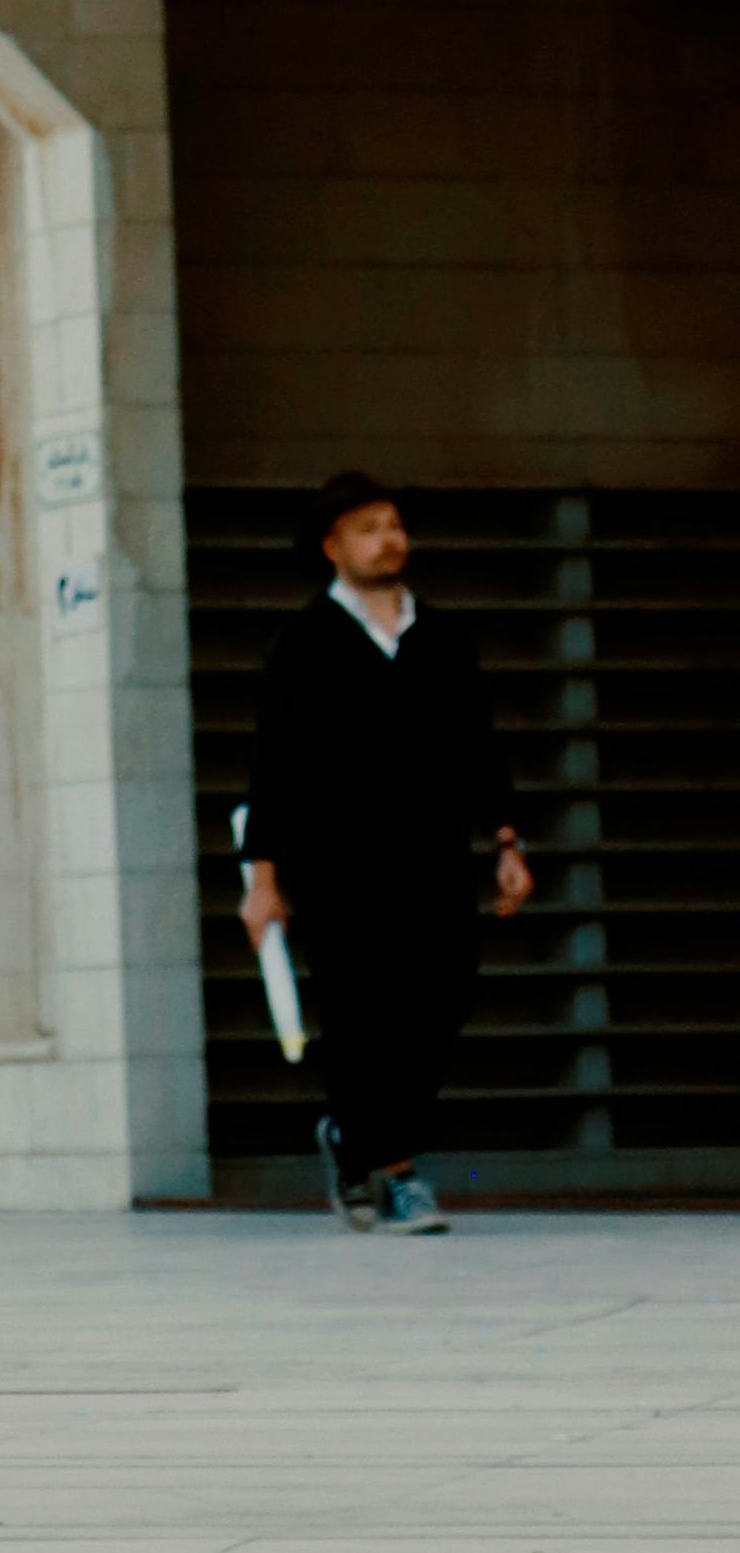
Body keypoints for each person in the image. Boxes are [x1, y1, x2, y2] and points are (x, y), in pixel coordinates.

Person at [238, 474, 530, 1236]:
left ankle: (349, 1137)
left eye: (394, 524)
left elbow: (481, 750)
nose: (388, 538)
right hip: (336, 871)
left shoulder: (441, 638)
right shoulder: (302, 645)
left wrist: (506, 843)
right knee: (368, 1015)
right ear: (333, 547)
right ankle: (399, 1178)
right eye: (368, 528)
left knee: (442, 1005)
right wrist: (263, 881)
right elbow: (271, 769)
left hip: (435, 861)